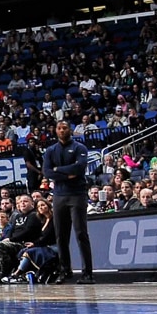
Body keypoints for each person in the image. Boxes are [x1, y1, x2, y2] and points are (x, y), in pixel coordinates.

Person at [41, 120, 93, 282]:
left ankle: (88, 274)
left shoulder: (79, 148)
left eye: (65, 128)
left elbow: (80, 168)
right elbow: (47, 172)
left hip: (77, 194)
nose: (62, 130)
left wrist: (58, 170)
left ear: (70, 130)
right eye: (59, 128)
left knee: (80, 234)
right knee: (61, 236)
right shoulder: (50, 151)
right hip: (59, 196)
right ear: (55, 131)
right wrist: (65, 173)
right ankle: (65, 271)